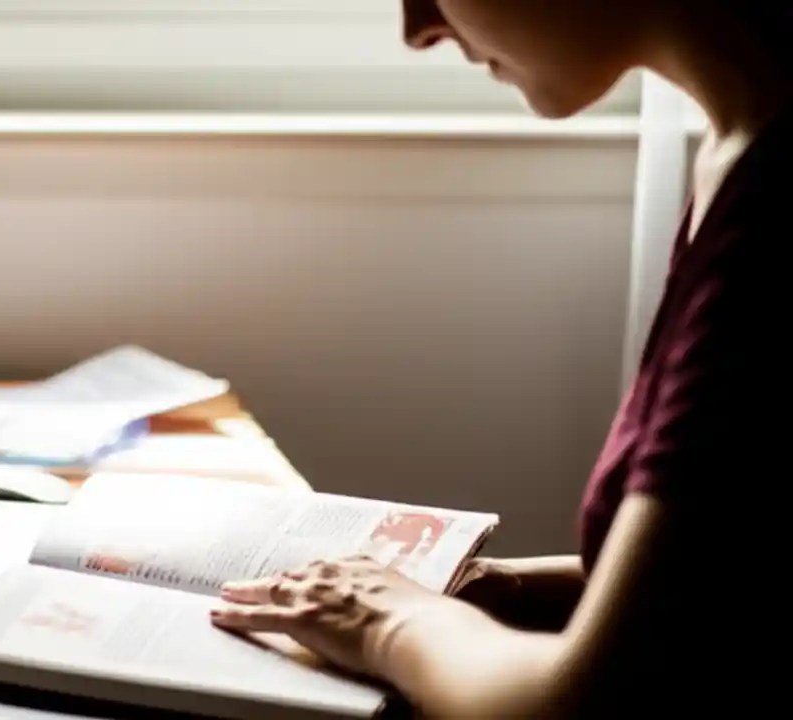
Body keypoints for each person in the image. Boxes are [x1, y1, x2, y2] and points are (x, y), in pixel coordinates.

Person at [211, 1, 789, 717]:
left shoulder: (784, 211)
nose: (418, 28)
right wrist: (487, 590)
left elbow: (577, 702)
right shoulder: (741, 146)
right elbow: (719, 593)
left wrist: (389, 622)